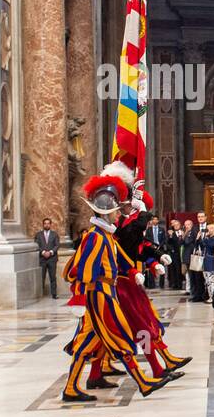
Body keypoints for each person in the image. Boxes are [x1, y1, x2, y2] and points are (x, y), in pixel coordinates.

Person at [62, 172, 175, 402]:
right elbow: (84, 271)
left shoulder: (105, 235)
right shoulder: (95, 237)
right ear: (106, 213)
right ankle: (143, 382)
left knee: (87, 341)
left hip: (106, 291)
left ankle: (71, 388)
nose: (118, 214)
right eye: (115, 211)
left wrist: (133, 272)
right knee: (119, 335)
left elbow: (120, 259)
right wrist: (79, 300)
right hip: (99, 294)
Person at [34, 218, 60, 300]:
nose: (46, 225)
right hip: (42, 259)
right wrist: (43, 252)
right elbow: (36, 245)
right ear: (43, 224)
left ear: (50, 224)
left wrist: (51, 252)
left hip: (52, 259)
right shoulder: (38, 235)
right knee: (41, 277)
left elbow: (57, 245)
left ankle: (54, 294)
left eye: (48, 223)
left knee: (53, 277)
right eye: (45, 223)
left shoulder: (55, 234)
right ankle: (40, 295)